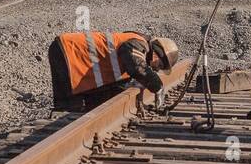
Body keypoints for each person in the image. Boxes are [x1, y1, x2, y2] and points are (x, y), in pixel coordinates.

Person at [48, 29, 179, 113]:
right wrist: (157, 85)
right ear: (157, 53)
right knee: (68, 108)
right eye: (160, 65)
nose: (156, 69)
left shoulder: (137, 46)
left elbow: (115, 85)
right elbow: (136, 66)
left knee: (86, 105)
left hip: (71, 54)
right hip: (68, 50)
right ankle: (59, 126)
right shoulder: (139, 43)